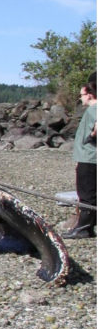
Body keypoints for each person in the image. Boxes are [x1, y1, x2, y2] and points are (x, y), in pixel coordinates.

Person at [71, 75, 95, 238]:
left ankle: (83, 229)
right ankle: (87, 227)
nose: (81, 99)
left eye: (81, 95)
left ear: (89, 94)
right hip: (89, 158)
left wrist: (92, 136)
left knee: (87, 194)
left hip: (90, 158)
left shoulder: (94, 108)